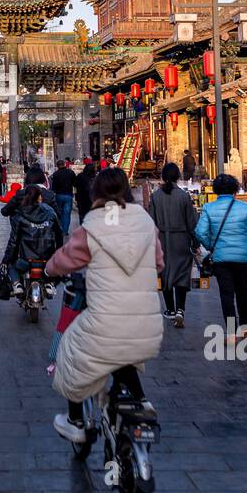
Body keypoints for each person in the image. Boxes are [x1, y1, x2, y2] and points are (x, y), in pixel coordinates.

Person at [44, 168, 164, 443]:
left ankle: (76, 420)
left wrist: (50, 270)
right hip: (148, 327)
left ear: (95, 191)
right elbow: (159, 263)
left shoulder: (93, 226)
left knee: (71, 350)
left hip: (105, 322)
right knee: (124, 356)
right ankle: (142, 403)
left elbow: (62, 261)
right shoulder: (145, 221)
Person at [194, 173, 247, 342]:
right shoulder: (245, 208)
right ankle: (245, 329)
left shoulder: (209, 208)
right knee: (242, 293)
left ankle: (231, 333)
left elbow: (200, 232)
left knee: (226, 295)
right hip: (244, 259)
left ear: (215, 190)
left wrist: (210, 246)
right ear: (235, 189)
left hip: (221, 259)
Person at [148, 162, 199, 326]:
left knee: (165, 274)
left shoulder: (155, 196)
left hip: (162, 240)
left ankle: (170, 309)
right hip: (181, 240)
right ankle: (180, 309)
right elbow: (192, 222)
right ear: (178, 176)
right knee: (182, 275)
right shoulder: (184, 196)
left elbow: (151, 222)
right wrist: (196, 242)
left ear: (163, 177)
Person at [2, 184, 64, 294]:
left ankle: (17, 284)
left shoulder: (20, 214)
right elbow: (59, 234)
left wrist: (6, 260)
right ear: (39, 197)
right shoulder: (50, 211)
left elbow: (13, 241)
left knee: (11, 265)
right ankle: (50, 283)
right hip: (47, 260)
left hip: (26, 260)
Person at [50, 158, 77, 236]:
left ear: (57, 166)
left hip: (59, 195)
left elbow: (53, 187)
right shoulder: (71, 173)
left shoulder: (55, 174)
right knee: (67, 213)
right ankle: (65, 231)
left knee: (59, 213)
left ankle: (60, 228)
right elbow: (75, 183)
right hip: (68, 195)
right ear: (65, 165)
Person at [74, 158, 97, 224]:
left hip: (81, 198)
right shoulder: (95, 177)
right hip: (92, 199)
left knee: (82, 215)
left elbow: (75, 184)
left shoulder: (80, 176)